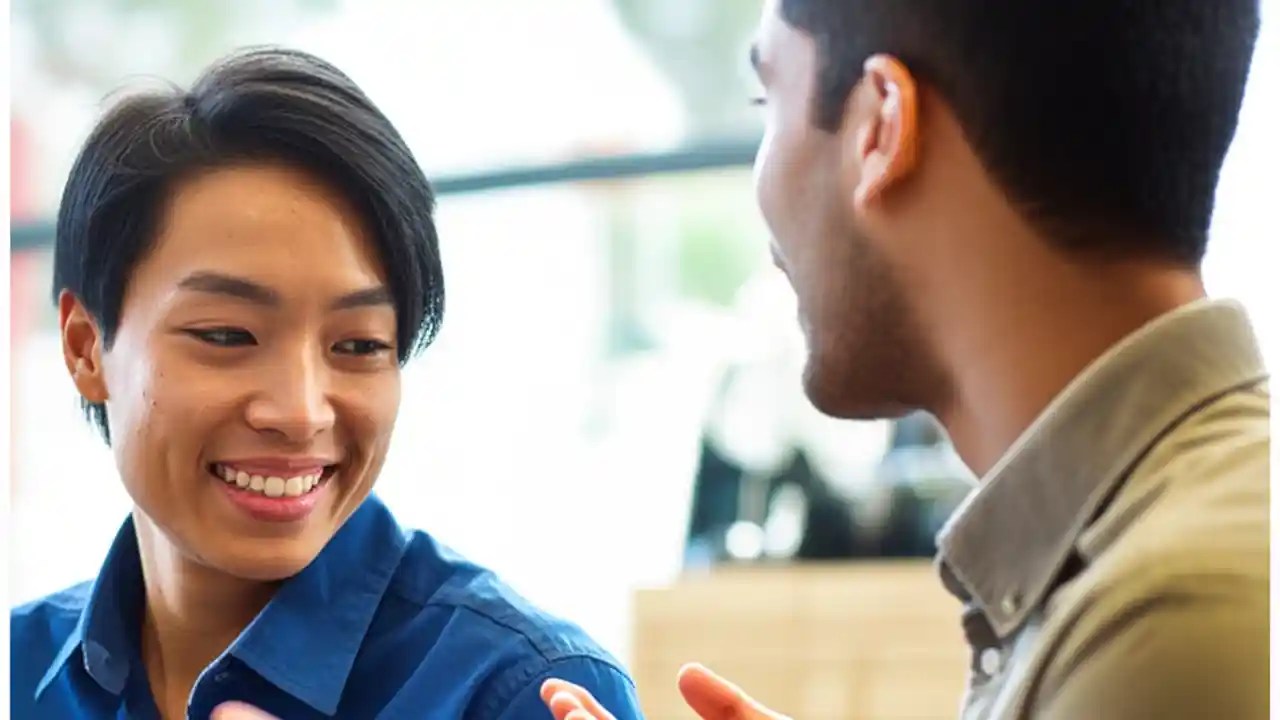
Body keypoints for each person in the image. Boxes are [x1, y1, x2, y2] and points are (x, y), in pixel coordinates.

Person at [540, 0, 1269, 718]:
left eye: (769, 100)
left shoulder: (1169, 621)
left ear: (881, 127)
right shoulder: (1169, 565)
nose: (759, 189)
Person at [9, 48, 643, 720]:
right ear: (85, 348)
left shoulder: (523, 693)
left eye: (359, 345)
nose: (300, 411)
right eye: (227, 335)